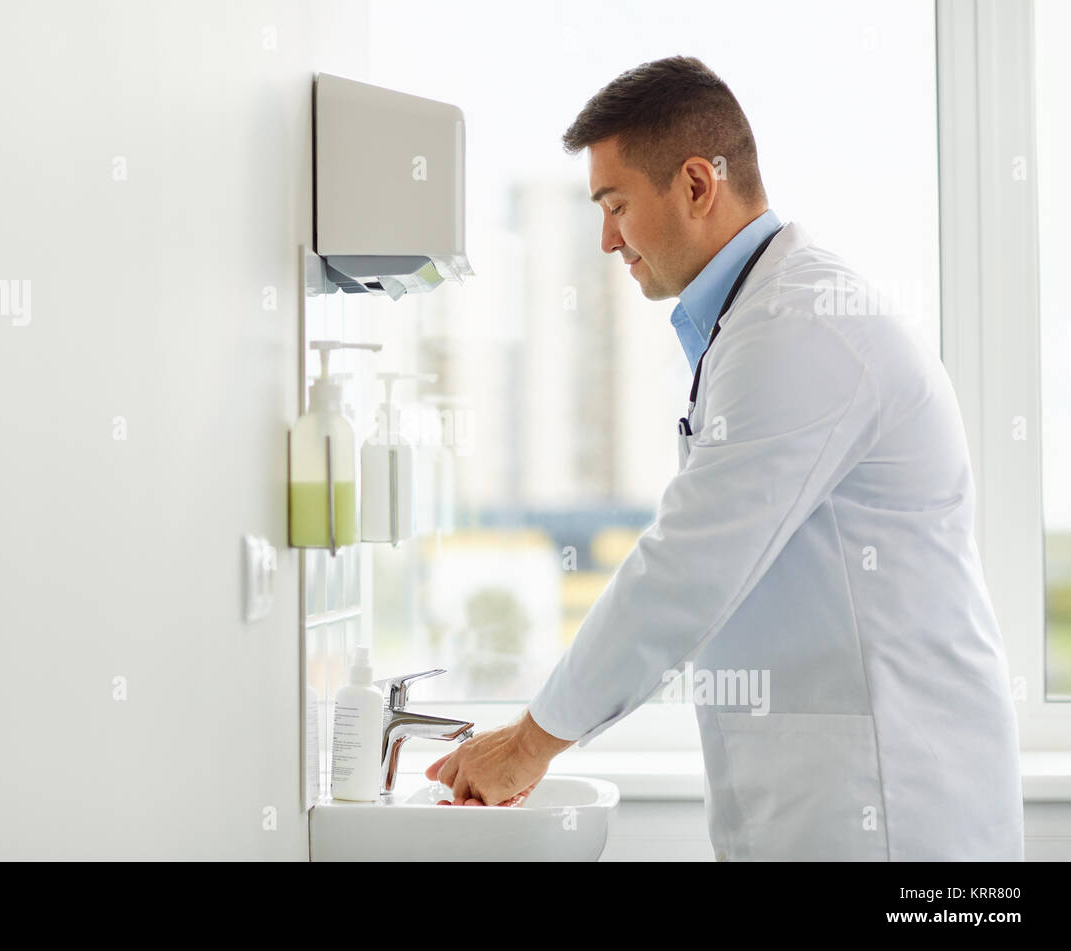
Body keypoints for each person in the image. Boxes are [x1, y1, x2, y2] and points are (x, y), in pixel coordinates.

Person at [425, 56, 1024, 860]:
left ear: (699, 185)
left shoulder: (802, 328)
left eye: (615, 205)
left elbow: (685, 570)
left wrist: (532, 741)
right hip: (830, 798)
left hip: (894, 806)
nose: (607, 238)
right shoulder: (755, 324)